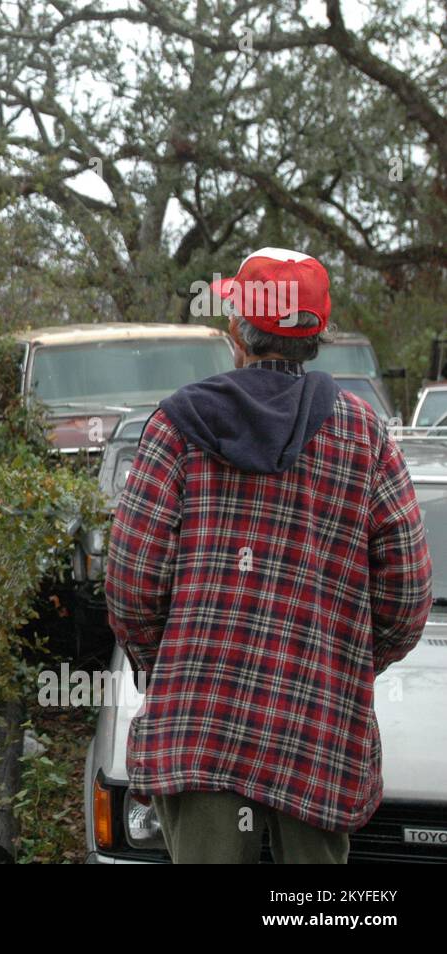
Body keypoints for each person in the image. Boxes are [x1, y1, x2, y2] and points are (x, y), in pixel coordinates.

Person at [105, 247, 432, 864]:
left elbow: (130, 584)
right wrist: (342, 663)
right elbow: (408, 597)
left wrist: (171, 663)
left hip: (201, 729)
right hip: (318, 734)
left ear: (237, 329)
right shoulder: (365, 437)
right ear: (320, 336)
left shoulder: (176, 427)